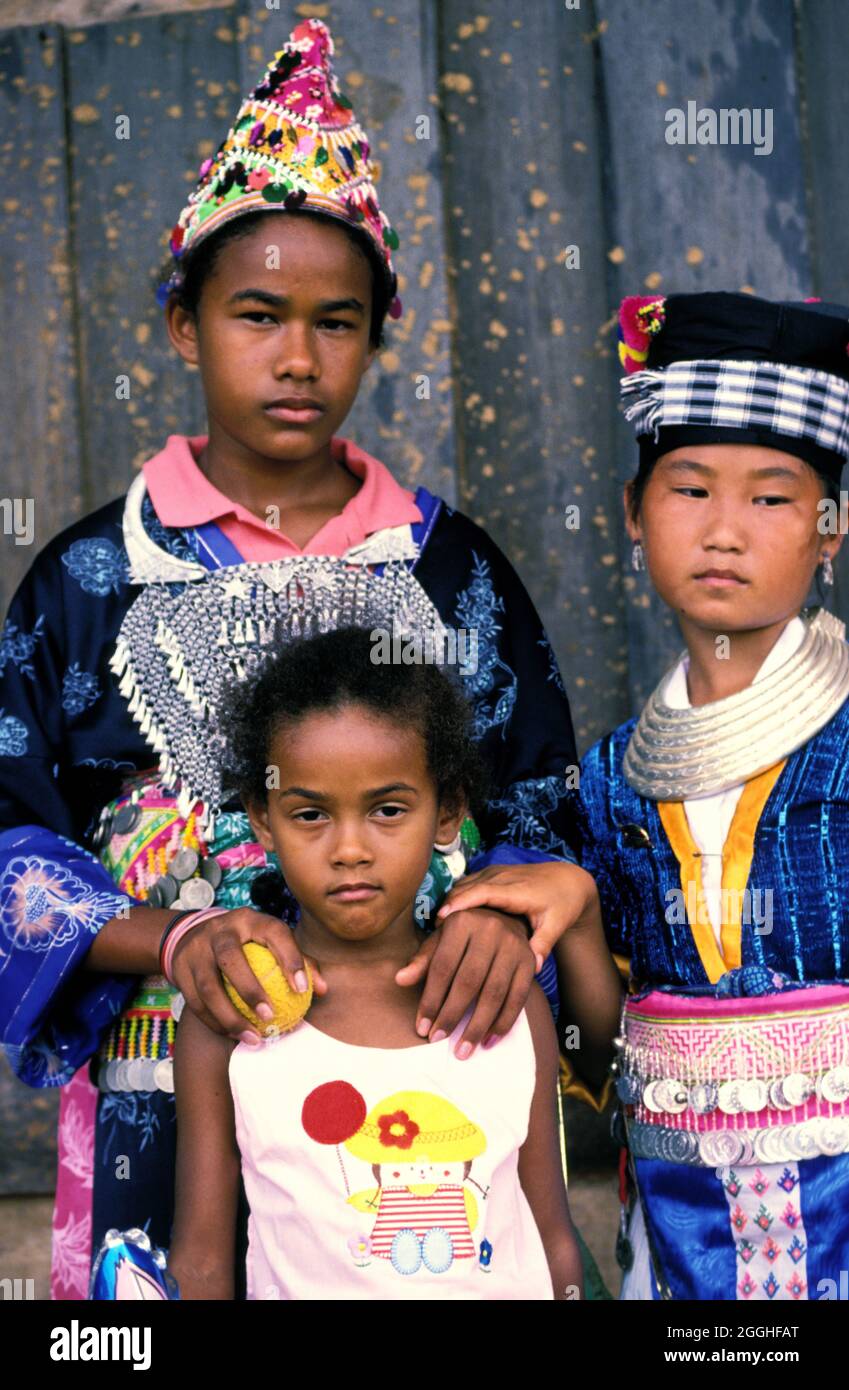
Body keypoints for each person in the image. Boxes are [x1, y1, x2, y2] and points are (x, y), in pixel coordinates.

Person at [0, 17, 597, 1299]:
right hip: (161, 1090)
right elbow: (5, 842)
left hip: (414, 1077)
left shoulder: (452, 571)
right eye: (256, 313)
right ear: (182, 325)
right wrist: (168, 937)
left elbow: (547, 809)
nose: (296, 356)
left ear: (379, 337)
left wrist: (509, 908)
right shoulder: (89, 581)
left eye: (337, 322)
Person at [451, 290, 849, 1300]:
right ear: (633, 513)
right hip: (678, 1223)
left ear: (830, 531)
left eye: (772, 497)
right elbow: (598, 1044)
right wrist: (577, 917)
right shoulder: (610, 780)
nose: (725, 530)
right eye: (689, 489)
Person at [167, 626, 594, 1301]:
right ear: (262, 819)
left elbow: (552, 1238)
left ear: (448, 810)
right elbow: (200, 1263)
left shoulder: (502, 999)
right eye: (309, 814)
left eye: (387, 810)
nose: (350, 849)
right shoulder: (231, 1013)